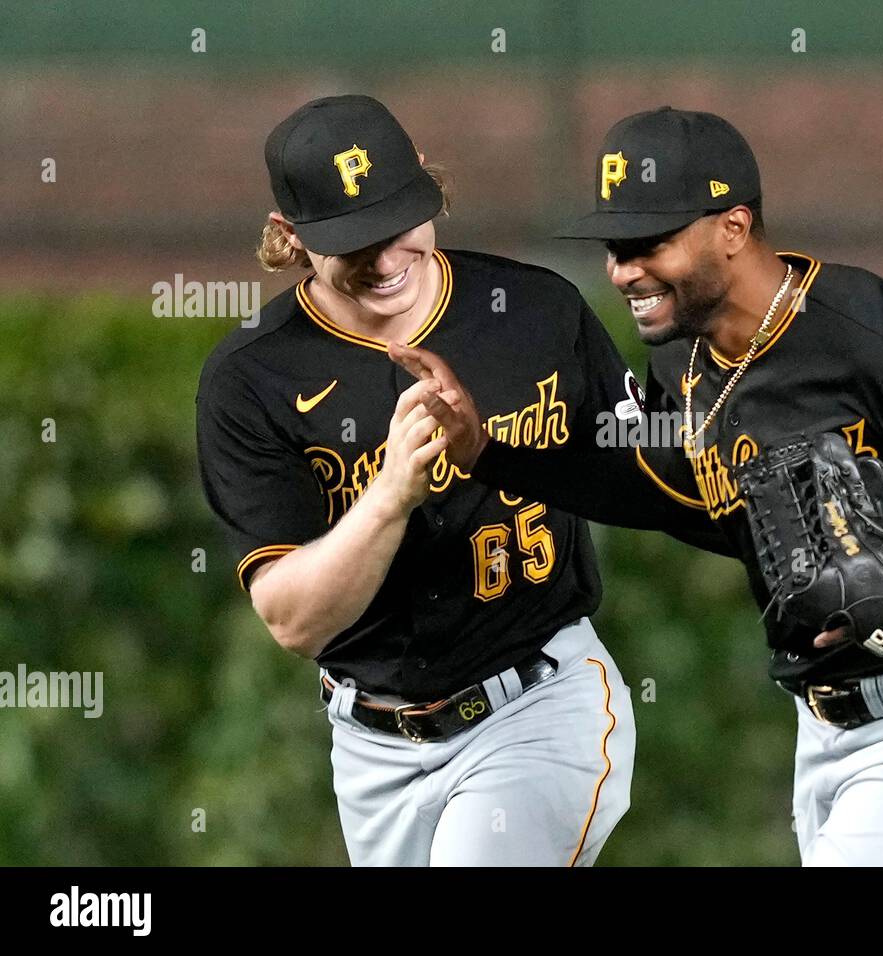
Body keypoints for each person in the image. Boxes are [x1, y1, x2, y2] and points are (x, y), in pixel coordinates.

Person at [391, 107, 883, 866]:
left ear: (733, 226)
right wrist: (488, 451)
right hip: (825, 737)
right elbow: (668, 493)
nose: (623, 271)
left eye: (649, 244)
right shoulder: (683, 365)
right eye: (615, 248)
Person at [195, 95, 716, 866]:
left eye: (396, 223)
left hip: (540, 705)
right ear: (288, 238)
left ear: (430, 193)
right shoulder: (253, 380)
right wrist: (393, 494)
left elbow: (655, 473)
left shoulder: (534, 310)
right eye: (350, 240)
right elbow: (294, 621)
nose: (382, 258)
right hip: (371, 752)